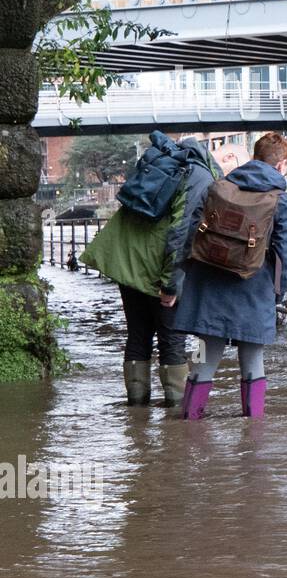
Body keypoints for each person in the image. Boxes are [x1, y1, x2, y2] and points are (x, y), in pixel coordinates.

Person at [82, 136, 223, 406]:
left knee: (137, 333)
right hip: (156, 263)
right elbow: (182, 233)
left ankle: (136, 414)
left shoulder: (162, 160)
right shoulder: (201, 176)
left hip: (126, 255)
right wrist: (171, 285)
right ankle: (176, 420)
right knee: (172, 338)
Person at [172, 132, 287, 420]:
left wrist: (187, 278)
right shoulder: (280, 200)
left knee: (204, 359)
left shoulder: (217, 188)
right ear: (280, 165)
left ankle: (189, 428)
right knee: (253, 361)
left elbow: (189, 234)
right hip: (253, 288)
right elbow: (285, 256)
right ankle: (253, 436)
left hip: (207, 287)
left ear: (256, 157)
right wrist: (278, 291)